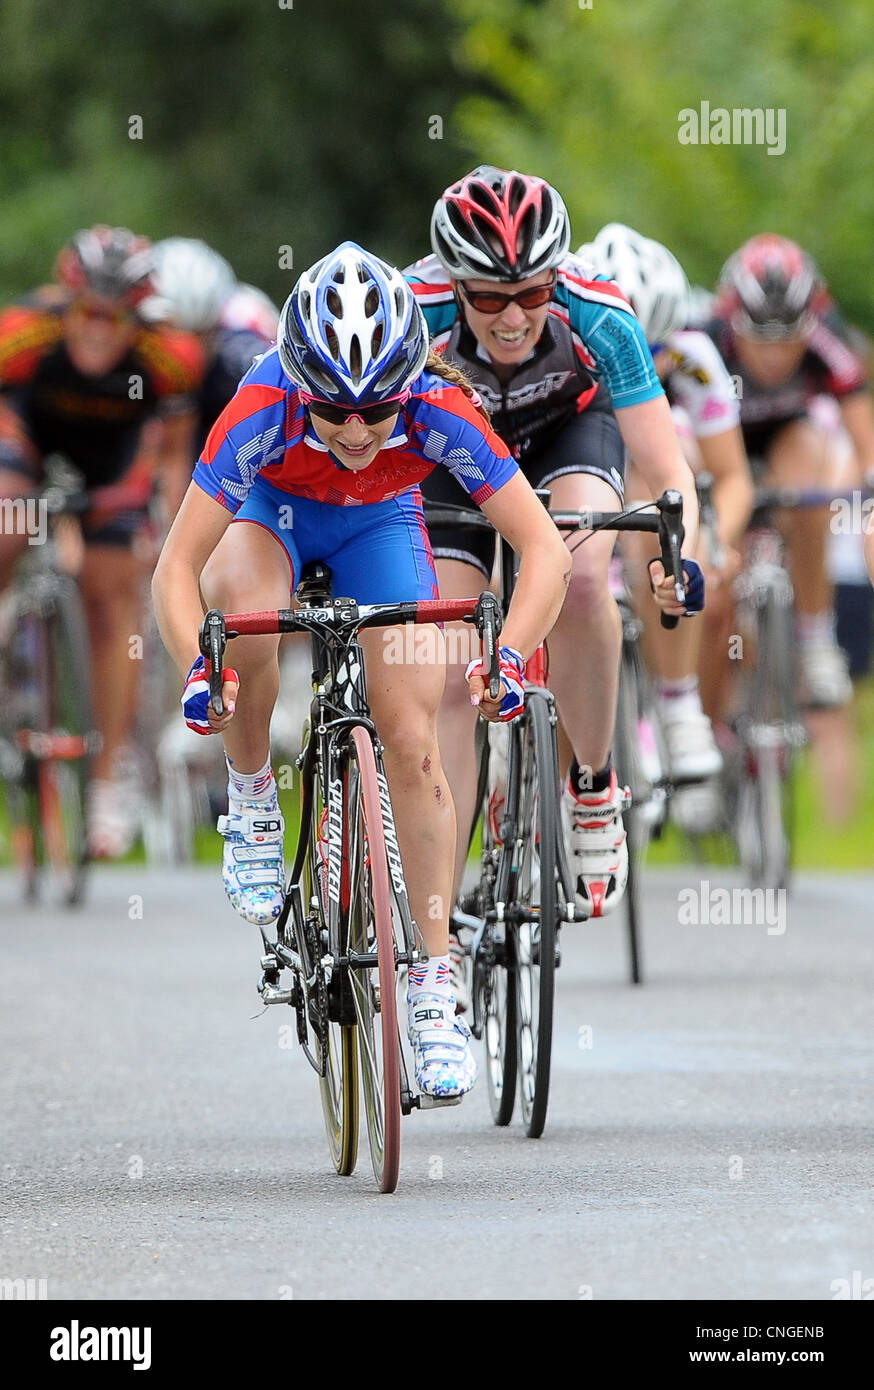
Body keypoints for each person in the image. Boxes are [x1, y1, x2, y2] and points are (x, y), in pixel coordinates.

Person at [151, 240, 573, 1099]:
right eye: (332, 410)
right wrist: (202, 666)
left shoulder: (440, 399)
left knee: (415, 741)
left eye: (376, 411)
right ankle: (255, 797)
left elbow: (544, 550)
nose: (353, 429)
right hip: (271, 517)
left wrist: (509, 656)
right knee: (246, 623)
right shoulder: (261, 398)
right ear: (297, 382)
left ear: (408, 387)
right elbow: (173, 570)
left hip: (382, 524)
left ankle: (431, 986)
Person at [406, 167, 701, 942]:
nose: (513, 316)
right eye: (490, 297)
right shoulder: (414, 313)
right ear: (453, 284)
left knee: (579, 574)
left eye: (532, 293)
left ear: (556, 279)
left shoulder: (599, 312)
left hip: (567, 433)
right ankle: (436, 916)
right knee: (443, 657)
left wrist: (681, 558)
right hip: (456, 452)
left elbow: (669, 473)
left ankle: (594, 784)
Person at [0, 225, 203, 857]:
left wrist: (164, 525)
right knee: (5, 518)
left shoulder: (171, 357)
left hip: (112, 462)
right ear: (67, 304)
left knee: (115, 599)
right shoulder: (24, 331)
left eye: (115, 319)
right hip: (27, 437)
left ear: (137, 320)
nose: (97, 329)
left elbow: (173, 455)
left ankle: (105, 780)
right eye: (86, 312)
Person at [579, 224, 754, 826]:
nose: (639, 364)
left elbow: (732, 476)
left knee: (674, 463)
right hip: (595, 488)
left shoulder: (694, 358)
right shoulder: (569, 345)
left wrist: (714, 544)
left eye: (653, 351)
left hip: (661, 487)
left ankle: (678, 701)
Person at [702, 233, 874, 709]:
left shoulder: (827, 335)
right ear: (734, 320)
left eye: (789, 339)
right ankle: (711, 723)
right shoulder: (708, 337)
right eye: (761, 339)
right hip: (722, 443)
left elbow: (862, 426)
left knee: (808, 491)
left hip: (786, 436)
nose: (776, 356)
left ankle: (816, 635)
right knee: (717, 590)